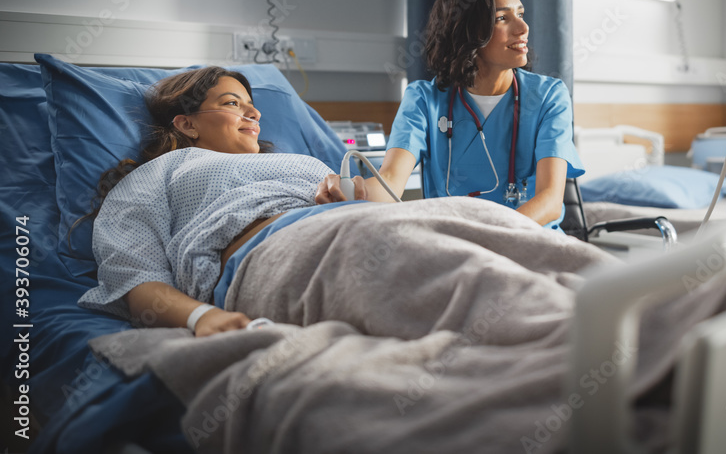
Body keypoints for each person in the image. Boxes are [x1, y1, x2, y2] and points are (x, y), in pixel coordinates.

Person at [76, 66, 607, 338]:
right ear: (186, 123)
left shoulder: (301, 163)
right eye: (231, 104)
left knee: (498, 233)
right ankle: (610, 336)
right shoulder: (159, 174)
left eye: (254, 106)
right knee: (470, 283)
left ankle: (622, 308)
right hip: (276, 252)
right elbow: (134, 278)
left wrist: (351, 193)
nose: (253, 115)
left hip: (356, 223)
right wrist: (199, 320)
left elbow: (382, 206)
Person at [320, 0, 583, 229]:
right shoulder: (424, 100)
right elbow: (390, 182)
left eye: (521, 14)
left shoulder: (549, 96)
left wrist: (490, 239)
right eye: (502, 18)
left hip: (528, 241)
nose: (523, 28)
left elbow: (548, 201)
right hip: (453, 245)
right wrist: (352, 191)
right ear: (467, 32)